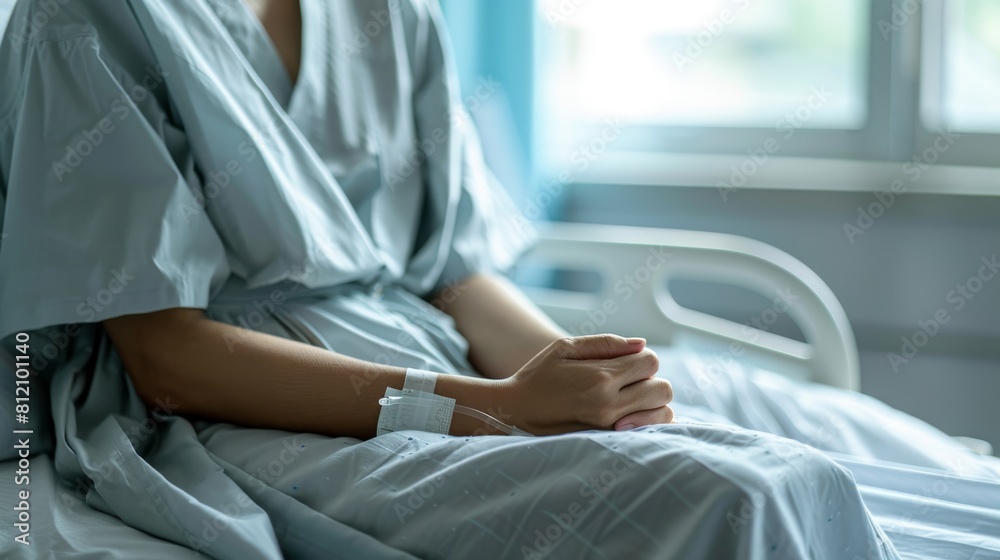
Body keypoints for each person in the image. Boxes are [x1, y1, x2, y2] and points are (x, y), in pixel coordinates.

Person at [0, 1, 992, 558]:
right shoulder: (87, 21)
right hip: (246, 406)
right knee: (747, 496)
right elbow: (169, 357)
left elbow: (459, 278)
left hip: (438, 351)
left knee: (875, 448)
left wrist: (579, 379)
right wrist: (491, 408)